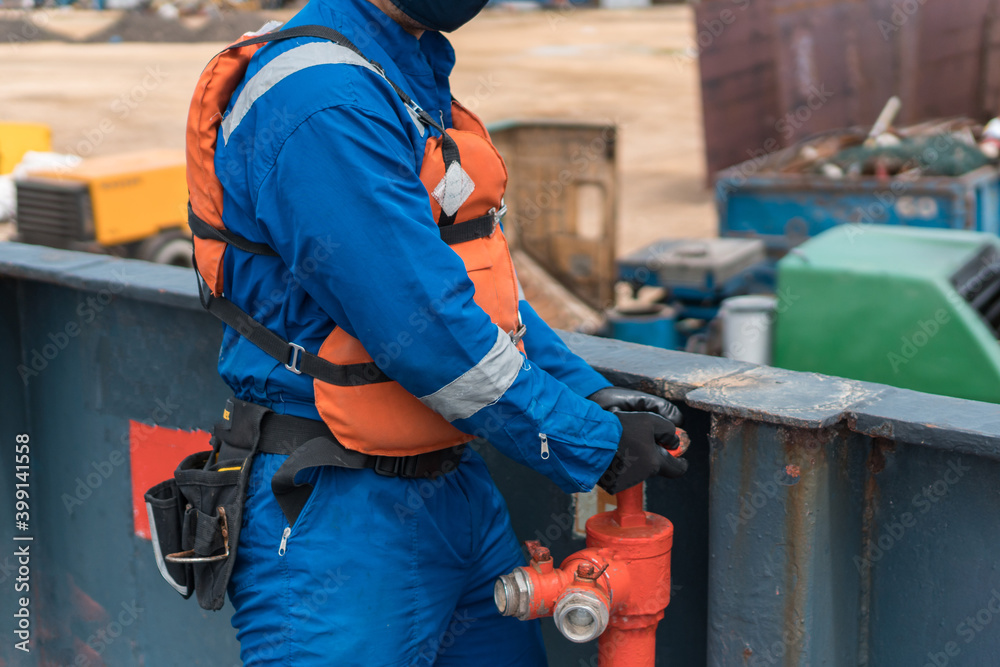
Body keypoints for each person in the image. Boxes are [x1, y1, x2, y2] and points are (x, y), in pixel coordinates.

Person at [204, 0, 689, 664]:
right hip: (335, 513)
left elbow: (477, 296)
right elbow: (423, 327)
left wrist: (590, 393)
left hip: (453, 489)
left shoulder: (402, 71)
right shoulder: (321, 100)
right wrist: (589, 441)